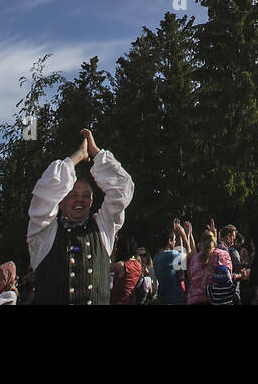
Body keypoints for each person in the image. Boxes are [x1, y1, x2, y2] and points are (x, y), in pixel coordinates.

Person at [26, 129, 134, 305]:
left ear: (91, 201)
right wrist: (77, 157)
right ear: (60, 201)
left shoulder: (103, 228)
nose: (79, 200)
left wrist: (96, 152)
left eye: (85, 195)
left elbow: (123, 189)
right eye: (73, 195)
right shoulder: (44, 233)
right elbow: (44, 195)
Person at [186, 226, 232, 305]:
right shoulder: (223, 255)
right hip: (217, 300)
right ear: (215, 241)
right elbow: (229, 277)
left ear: (201, 243)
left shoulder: (194, 259)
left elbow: (190, 277)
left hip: (194, 299)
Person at [153, 221, 191, 305]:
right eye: (173, 240)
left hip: (163, 298)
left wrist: (177, 236)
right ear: (169, 241)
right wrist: (185, 235)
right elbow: (189, 254)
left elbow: (178, 257)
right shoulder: (170, 255)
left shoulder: (156, 257)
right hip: (174, 298)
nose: (174, 242)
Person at [110, 234, 142, 305]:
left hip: (118, 301)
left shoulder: (121, 266)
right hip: (130, 300)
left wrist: (113, 249)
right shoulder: (138, 265)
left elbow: (108, 268)